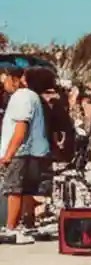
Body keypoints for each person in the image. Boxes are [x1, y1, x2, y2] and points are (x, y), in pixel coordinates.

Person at [1, 66, 50, 243]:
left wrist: (8, 154)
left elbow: (21, 129)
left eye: (4, 79)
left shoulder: (20, 97)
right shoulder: (32, 96)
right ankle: (28, 225)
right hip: (35, 152)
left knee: (13, 190)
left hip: (21, 152)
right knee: (27, 190)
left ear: (14, 79)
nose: (3, 84)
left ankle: (11, 229)